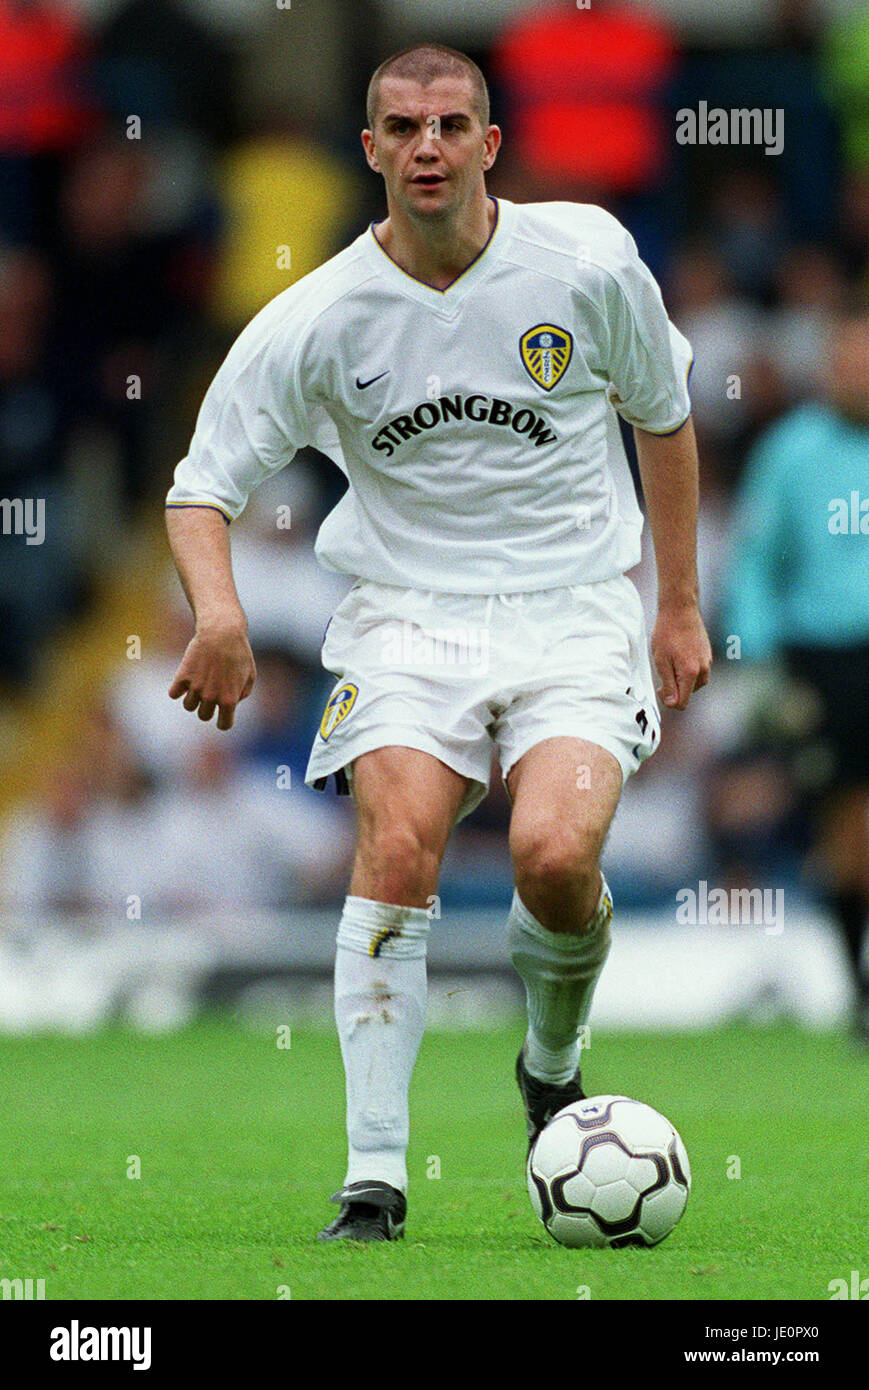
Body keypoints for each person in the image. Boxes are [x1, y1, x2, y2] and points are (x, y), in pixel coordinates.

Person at [164, 44, 711, 1242]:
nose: (427, 147)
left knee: (555, 858)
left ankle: (550, 1064)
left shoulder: (584, 262)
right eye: (402, 127)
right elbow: (198, 488)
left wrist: (674, 604)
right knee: (398, 843)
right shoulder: (317, 317)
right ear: (368, 149)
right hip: (406, 619)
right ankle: (374, 1175)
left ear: (487, 144)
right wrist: (218, 611)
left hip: (571, 605)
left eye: (450, 125)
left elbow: (662, 415)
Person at [723, 305, 869, 1041]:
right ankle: (859, 989)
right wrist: (761, 662)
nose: (856, 374)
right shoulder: (791, 450)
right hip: (830, 662)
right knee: (849, 829)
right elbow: (754, 561)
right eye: (846, 360)